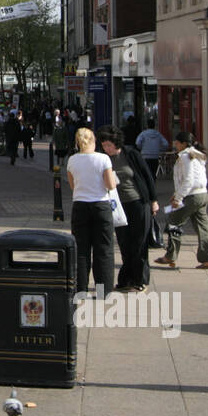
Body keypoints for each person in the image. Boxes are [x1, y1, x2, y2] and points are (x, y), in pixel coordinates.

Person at [98, 126, 158, 293]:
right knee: (124, 242)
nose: (106, 148)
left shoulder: (131, 155)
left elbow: (147, 177)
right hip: (118, 205)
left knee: (139, 242)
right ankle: (126, 280)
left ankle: (140, 280)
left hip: (138, 202)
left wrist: (153, 200)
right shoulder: (103, 159)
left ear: (116, 143)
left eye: (108, 145)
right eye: (103, 145)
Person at [66, 127, 118, 297]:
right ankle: (103, 291)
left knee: (81, 249)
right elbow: (110, 185)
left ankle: (80, 289)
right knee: (103, 249)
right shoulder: (103, 159)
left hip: (80, 205)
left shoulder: (72, 160)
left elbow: (73, 186)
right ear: (94, 141)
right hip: (101, 205)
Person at [155, 132, 208, 269]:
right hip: (202, 194)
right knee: (203, 227)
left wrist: (178, 198)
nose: (175, 145)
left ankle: (170, 256)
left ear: (183, 143)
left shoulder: (185, 156)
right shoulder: (197, 154)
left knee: (173, 222)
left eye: (176, 143)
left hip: (190, 196)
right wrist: (176, 193)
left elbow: (188, 180)